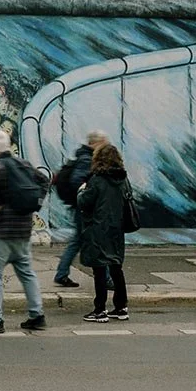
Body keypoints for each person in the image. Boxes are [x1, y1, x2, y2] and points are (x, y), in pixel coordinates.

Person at [0, 129, 49, 333]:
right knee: (27, 273)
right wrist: (37, 203)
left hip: (1, 233)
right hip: (23, 230)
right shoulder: (23, 164)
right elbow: (44, 180)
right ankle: (37, 315)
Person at [77, 144, 132, 322]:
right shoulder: (123, 179)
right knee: (116, 268)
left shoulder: (97, 180)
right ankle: (121, 307)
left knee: (99, 269)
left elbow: (85, 202)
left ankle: (100, 309)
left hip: (98, 229)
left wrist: (81, 191)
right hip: (117, 229)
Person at [53, 130, 109, 288]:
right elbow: (78, 181)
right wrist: (89, 197)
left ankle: (62, 273)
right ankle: (107, 279)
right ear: (94, 143)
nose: (105, 146)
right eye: (103, 142)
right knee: (96, 241)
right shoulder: (87, 158)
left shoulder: (85, 156)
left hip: (81, 207)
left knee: (79, 241)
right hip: (84, 208)